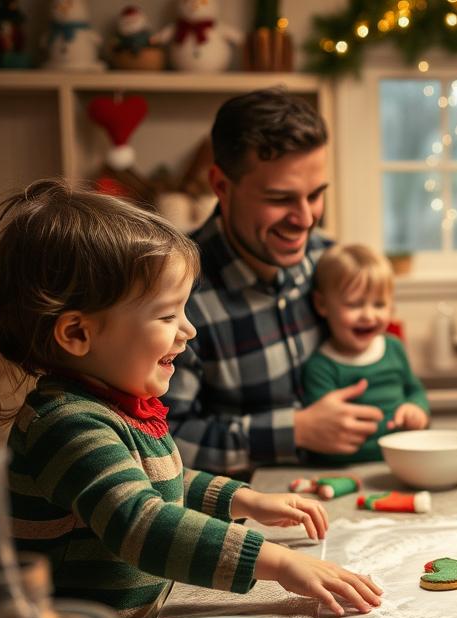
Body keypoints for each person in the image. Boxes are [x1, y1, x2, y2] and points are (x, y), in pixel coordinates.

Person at [0, 180, 383, 618]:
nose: (188, 330)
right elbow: (142, 522)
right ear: (78, 334)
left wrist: (245, 500)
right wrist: (277, 562)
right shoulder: (65, 424)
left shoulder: (108, 405)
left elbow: (163, 480)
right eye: (166, 315)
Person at [163, 88, 385, 476]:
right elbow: (162, 441)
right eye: (280, 199)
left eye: (315, 195)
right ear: (221, 186)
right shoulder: (177, 295)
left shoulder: (327, 262)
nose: (305, 219)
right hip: (241, 522)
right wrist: (294, 431)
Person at [303, 243, 429, 464]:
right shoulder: (321, 367)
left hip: (403, 464)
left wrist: (416, 409)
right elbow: (324, 439)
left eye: (379, 304)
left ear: (392, 307)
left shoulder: (394, 348)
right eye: (354, 305)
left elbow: (415, 390)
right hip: (347, 470)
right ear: (322, 304)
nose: (368, 315)